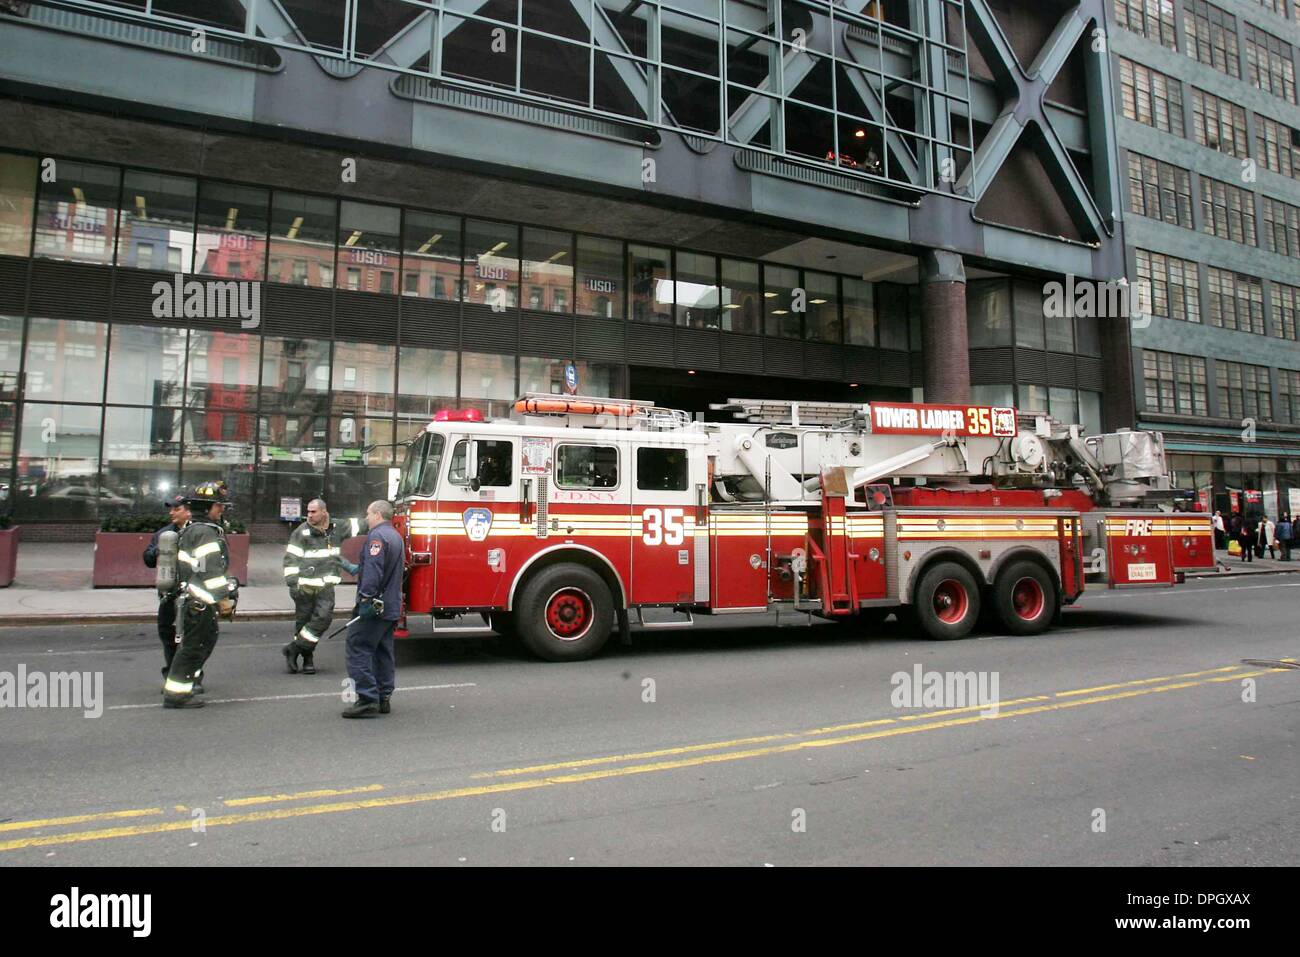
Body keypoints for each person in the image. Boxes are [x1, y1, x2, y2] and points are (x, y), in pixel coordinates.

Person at [162, 482, 238, 709]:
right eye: (218, 505)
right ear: (206, 508)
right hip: (201, 602)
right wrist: (223, 599)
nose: (221, 509)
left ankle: (182, 688)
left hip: (196, 600)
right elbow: (210, 570)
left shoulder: (194, 529)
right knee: (194, 647)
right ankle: (176, 694)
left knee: (200, 644)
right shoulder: (204, 532)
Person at [281, 498, 362, 675]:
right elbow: (290, 560)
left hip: (325, 585)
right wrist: (293, 584)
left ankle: (294, 648)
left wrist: (385, 518)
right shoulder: (301, 532)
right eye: (308, 512)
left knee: (323, 618)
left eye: (313, 512)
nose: (309, 515)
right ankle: (307, 660)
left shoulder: (337, 527)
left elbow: (362, 524)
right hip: (304, 586)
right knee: (303, 623)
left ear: (324, 512)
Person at [342, 500, 403, 719]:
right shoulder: (395, 536)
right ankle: (383, 696)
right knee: (382, 651)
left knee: (357, 646)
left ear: (377, 514)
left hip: (375, 606)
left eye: (368, 513)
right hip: (390, 606)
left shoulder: (377, 537)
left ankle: (367, 698)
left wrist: (366, 598)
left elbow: (374, 571)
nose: (366, 517)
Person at [143, 492, 190, 678]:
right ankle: (171, 674)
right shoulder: (164, 534)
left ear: (188, 512)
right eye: (171, 509)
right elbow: (147, 559)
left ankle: (191, 676)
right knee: (168, 636)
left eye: (176, 509)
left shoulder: (196, 533)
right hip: (169, 595)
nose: (172, 513)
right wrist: (157, 551)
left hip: (191, 596)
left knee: (190, 640)